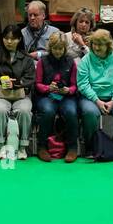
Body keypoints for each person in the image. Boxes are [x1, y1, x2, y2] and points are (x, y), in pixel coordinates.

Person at [77, 28, 113, 157]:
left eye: (100, 44)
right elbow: (83, 84)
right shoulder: (86, 60)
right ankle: (90, 147)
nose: (96, 47)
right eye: (94, 44)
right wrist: (97, 100)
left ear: (108, 45)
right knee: (90, 112)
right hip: (91, 98)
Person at [0, 24, 35, 161]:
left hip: (21, 95)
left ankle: (23, 146)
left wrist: (18, 83)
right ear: (2, 39)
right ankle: (0, 145)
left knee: (24, 111)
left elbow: (30, 79)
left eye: (13, 39)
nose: (9, 42)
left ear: (19, 40)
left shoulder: (27, 59)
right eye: (6, 38)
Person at [34, 32, 80, 163]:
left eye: (60, 49)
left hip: (66, 97)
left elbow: (74, 85)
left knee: (71, 112)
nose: (58, 51)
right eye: (55, 48)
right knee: (48, 111)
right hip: (47, 95)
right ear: (50, 48)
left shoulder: (71, 62)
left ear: (65, 48)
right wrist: (48, 88)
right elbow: (37, 84)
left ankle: (72, 147)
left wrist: (68, 90)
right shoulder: (42, 62)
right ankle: (42, 146)